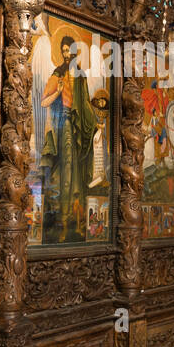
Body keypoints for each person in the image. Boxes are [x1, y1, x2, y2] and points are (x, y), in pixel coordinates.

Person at [40, 35, 96, 242]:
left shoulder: (80, 75)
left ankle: (78, 221)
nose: (66, 54)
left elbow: (86, 103)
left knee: (77, 174)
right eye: (63, 51)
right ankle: (62, 221)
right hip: (63, 124)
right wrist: (59, 92)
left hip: (77, 126)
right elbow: (44, 101)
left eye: (68, 50)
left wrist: (95, 123)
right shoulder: (58, 73)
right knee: (66, 171)